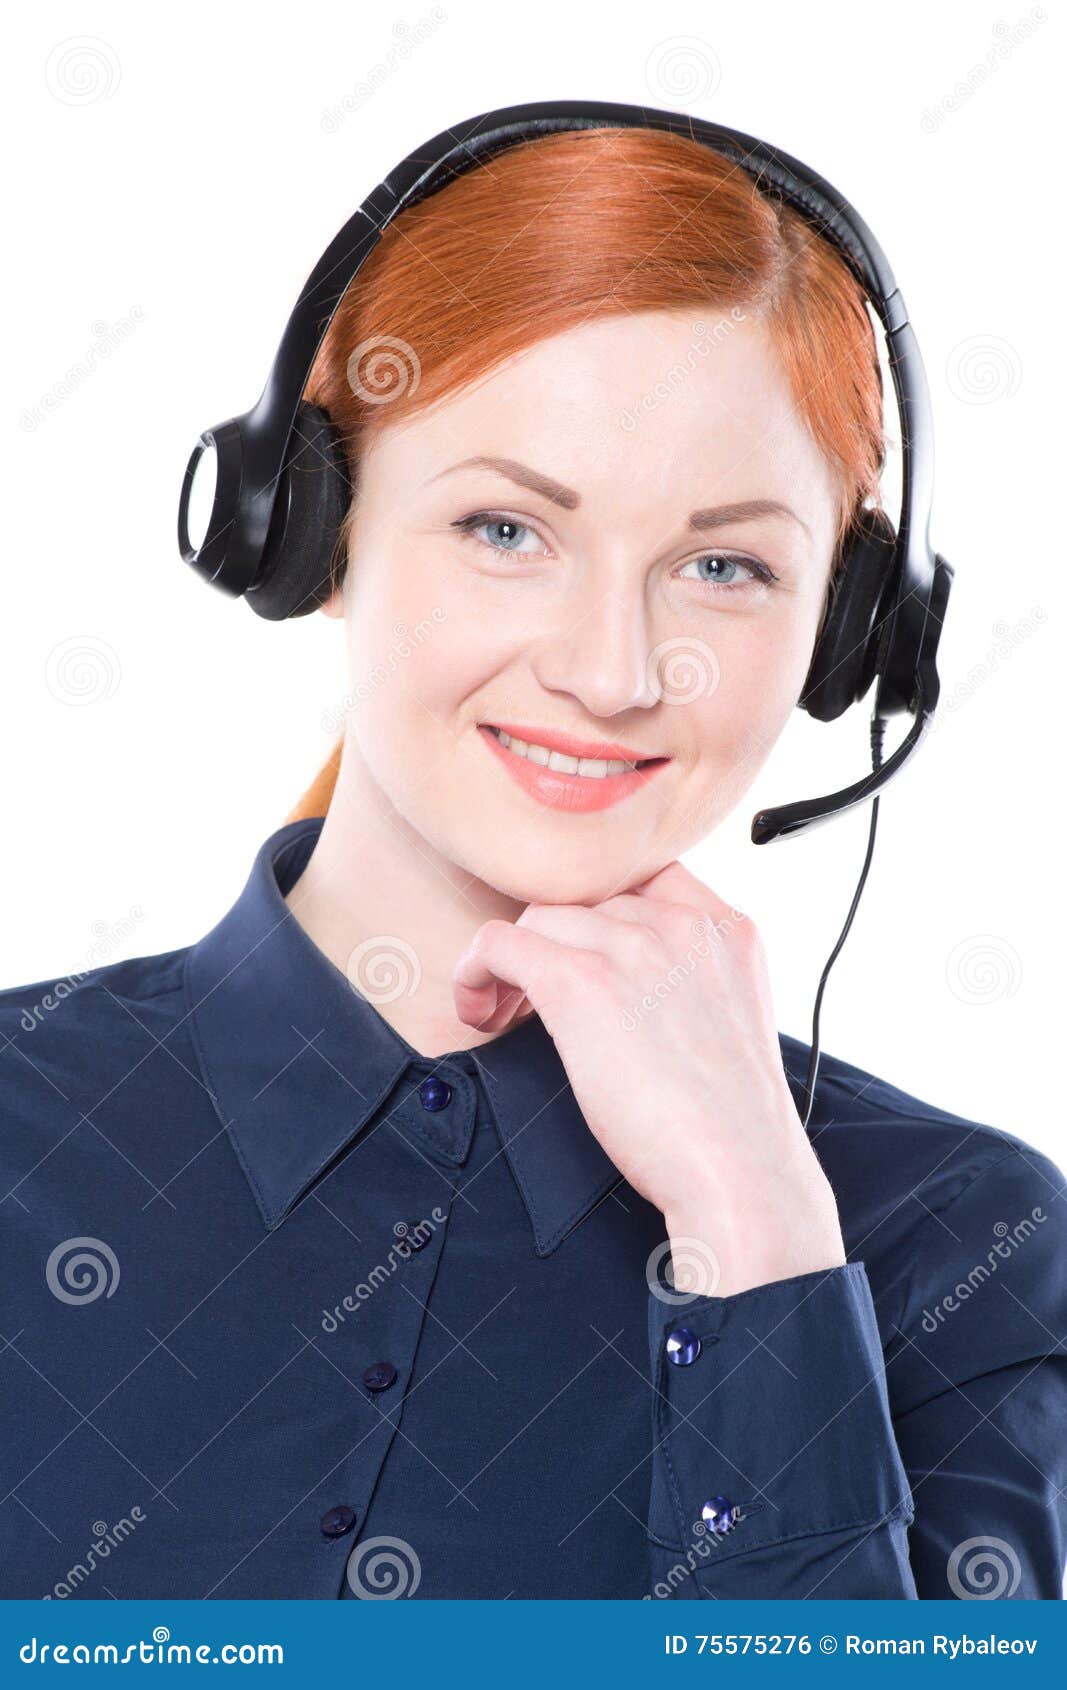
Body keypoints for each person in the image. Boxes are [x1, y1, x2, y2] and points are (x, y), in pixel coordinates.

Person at [2, 122, 1065, 1603]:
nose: (610, 668)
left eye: (725, 566)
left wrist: (762, 1244)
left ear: (849, 632)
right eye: (508, 527)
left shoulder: (960, 1238)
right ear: (309, 529)